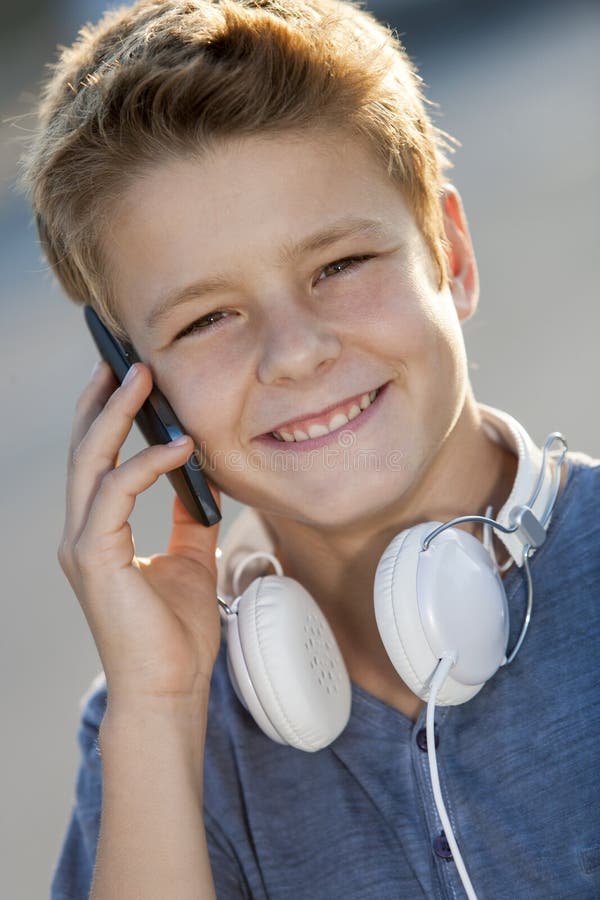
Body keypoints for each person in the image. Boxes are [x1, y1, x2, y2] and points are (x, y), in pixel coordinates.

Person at [18, 1, 599, 897]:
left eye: (340, 266)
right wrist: (158, 710)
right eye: (207, 319)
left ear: (450, 256)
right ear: (142, 395)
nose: (295, 353)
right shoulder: (155, 721)